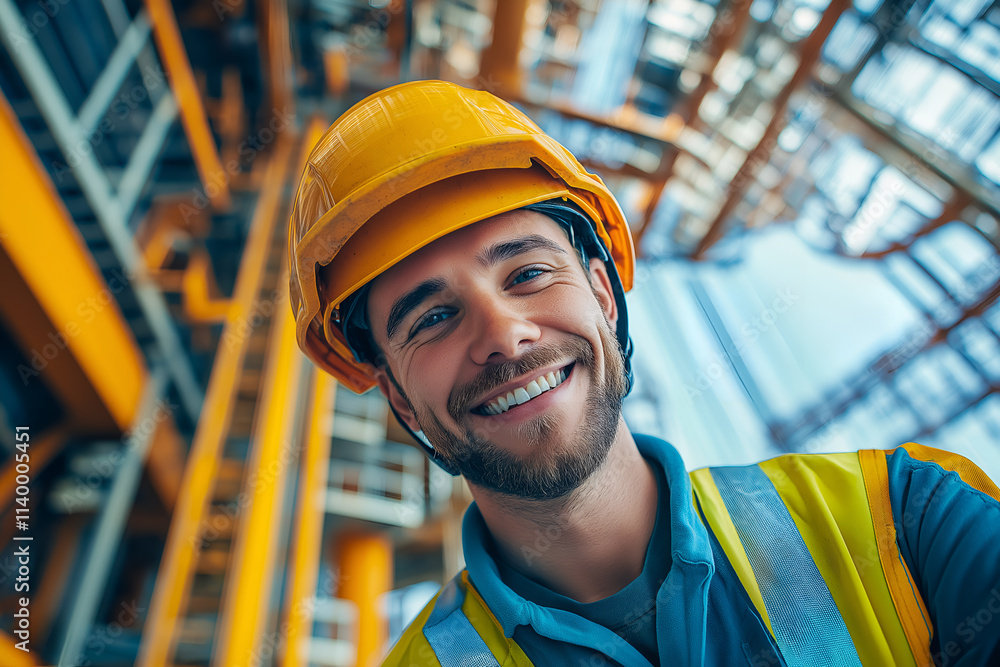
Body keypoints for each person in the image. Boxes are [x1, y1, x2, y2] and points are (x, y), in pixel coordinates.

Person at [288, 80, 1000, 667]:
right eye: (432, 319)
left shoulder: (907, 521)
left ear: (602, 295)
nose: (503, 334)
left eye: (528, 272)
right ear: (403, 405)